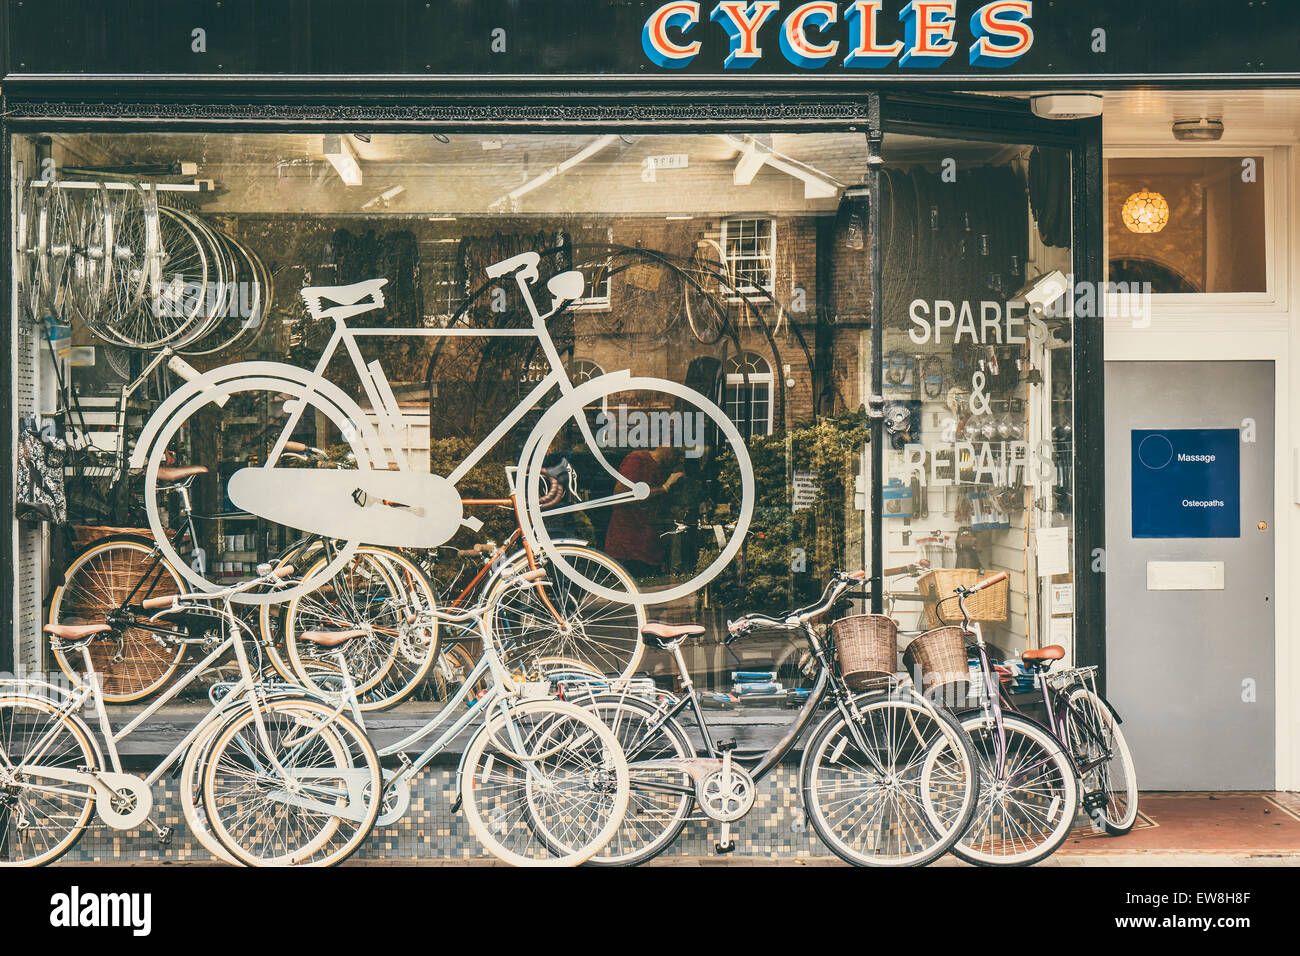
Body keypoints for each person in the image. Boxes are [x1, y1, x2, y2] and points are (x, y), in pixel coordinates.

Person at [603, 445, 685, 581]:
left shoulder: (665, 469)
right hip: (628, 547)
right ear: (666, 446)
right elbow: (621, 495)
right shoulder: (637, 460)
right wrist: (665, 487)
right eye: (678, 452)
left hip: (650, 548)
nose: (680, 458)